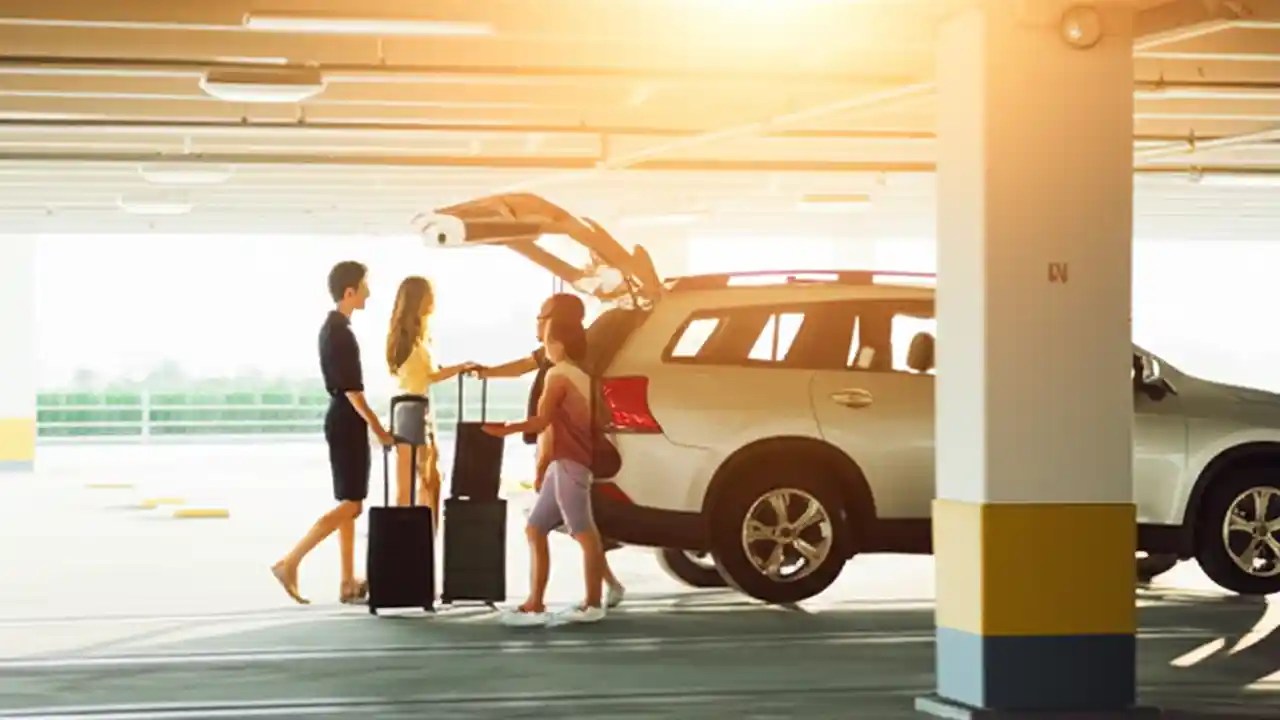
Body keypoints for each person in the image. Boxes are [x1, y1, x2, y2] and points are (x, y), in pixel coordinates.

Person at [476, 293, 625, 608]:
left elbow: (547, 421)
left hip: (564, 451)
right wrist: (486, 372)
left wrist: (510, 433)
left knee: (582, 529)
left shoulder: (563, 366)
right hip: (560, 452)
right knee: (541, 527)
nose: (538, 322)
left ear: (558, 327)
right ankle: (540, 600)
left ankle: (595, 598)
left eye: (543, 317)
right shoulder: (559, 357)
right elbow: (522, 367)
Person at [271, 261, 394, 605]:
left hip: (340, 417)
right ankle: (290, 561)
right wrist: (381, 431)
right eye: (365, 286)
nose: (369, 292)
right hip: (346, 418)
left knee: (349, 504)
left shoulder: (332, 328)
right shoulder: (341, 333)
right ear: (350, 291)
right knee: (352, 505)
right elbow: (354, 391)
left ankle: (346, 581)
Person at [385, 275, 473, 529]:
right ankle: (415, 539)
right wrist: (460, 367)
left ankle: (424, 538)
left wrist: (459, 367)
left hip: (417, 407)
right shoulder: (407, 338)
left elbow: (429, 374)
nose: (433, 300)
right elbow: (429, 375)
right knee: (420, 481)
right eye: (429, 295)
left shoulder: (416, 337)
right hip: (412, 408)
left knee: (429, 479)